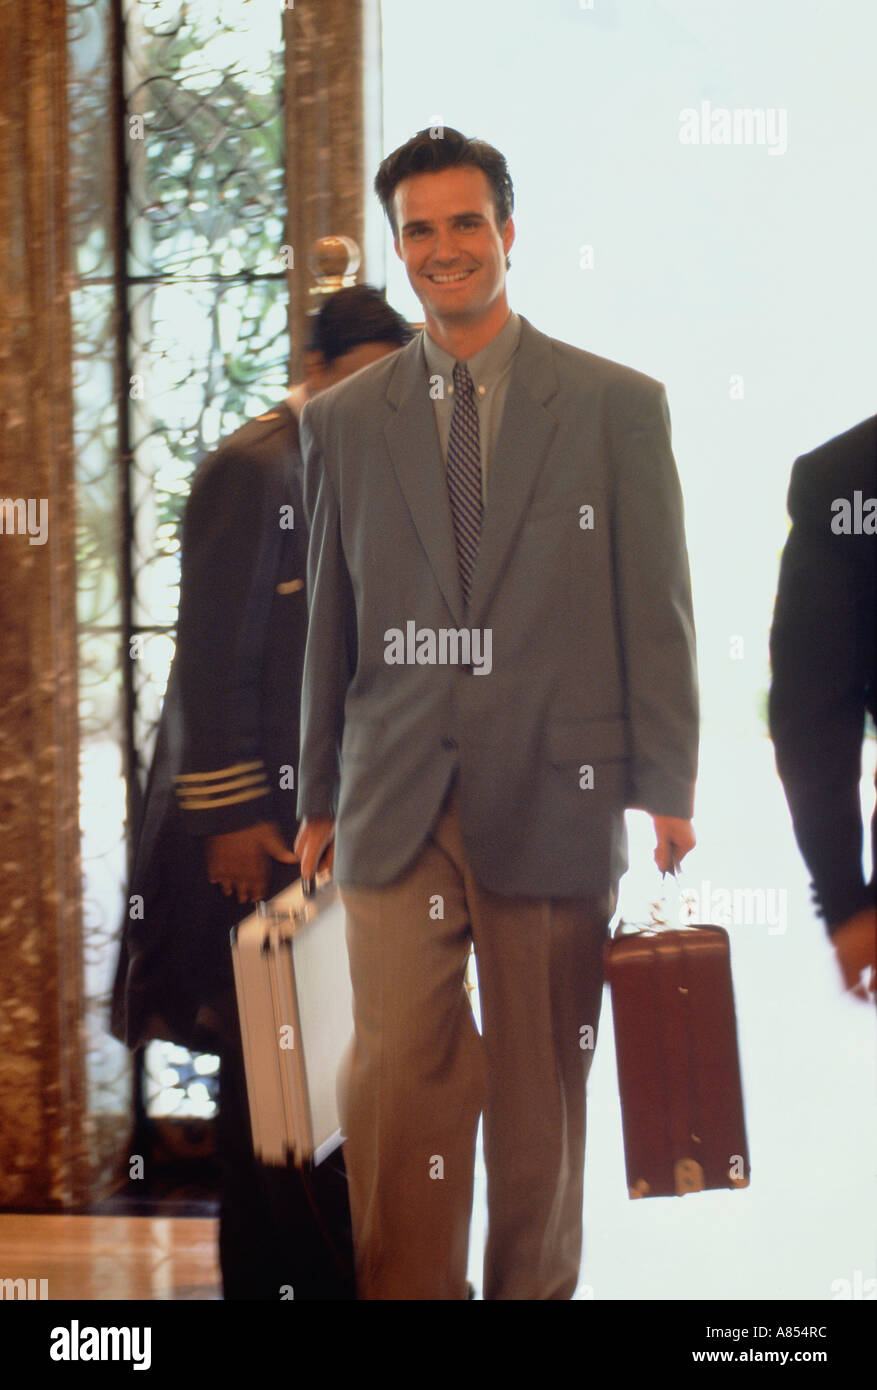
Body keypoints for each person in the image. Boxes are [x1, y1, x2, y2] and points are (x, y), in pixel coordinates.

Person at [295, 128, 699, 1300]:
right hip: (391, 795)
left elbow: (656, 607)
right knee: (398, 1086)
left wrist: (665, 782)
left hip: (557, 792)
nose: (443, 249)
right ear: (401, 248)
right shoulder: (342, 424)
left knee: (540, 1096)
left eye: (464, 223)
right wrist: (316, 791)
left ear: (507, 234)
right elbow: (331, 621)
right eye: (418, 230)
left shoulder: (618, 407)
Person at [110, 284, 413, 1299]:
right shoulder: (255, 467)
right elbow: (213, 658)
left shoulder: (342, 462)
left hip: (330, 824)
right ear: (319, 370)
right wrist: (234, 816)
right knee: (266, 1080)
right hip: (257, 834)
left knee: (316, 1074)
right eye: (365, 379)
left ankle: (318, 1273)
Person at [769, 416, 877, 1002]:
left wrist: (844, 904)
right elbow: (815, 712)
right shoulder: (848, 485)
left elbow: (815, 713)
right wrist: (842, 898)